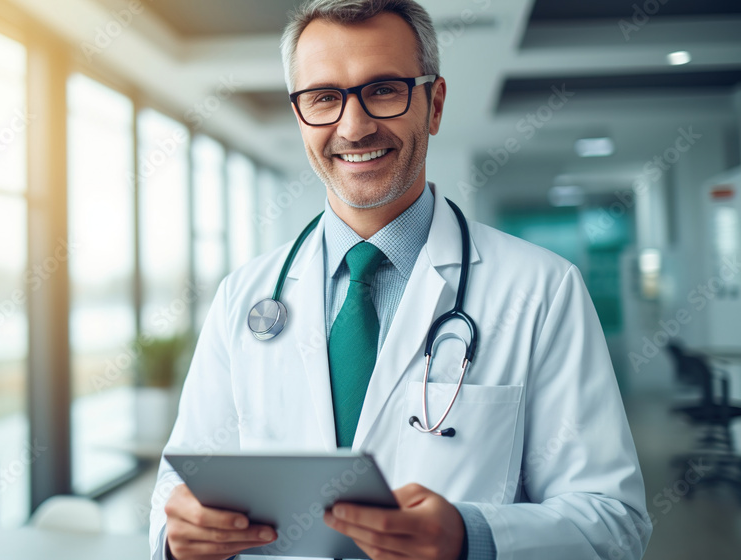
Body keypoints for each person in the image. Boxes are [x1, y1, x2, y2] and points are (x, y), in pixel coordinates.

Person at [149, 1, 651, 559]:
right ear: (300, 116)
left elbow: (614, 524)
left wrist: (470, 537)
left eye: (384, 90)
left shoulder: (542, 290)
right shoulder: (242, 297)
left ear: (434, 105)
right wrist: (177, 539)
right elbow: (179, 487)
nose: (354, 126)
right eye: (324, 97)